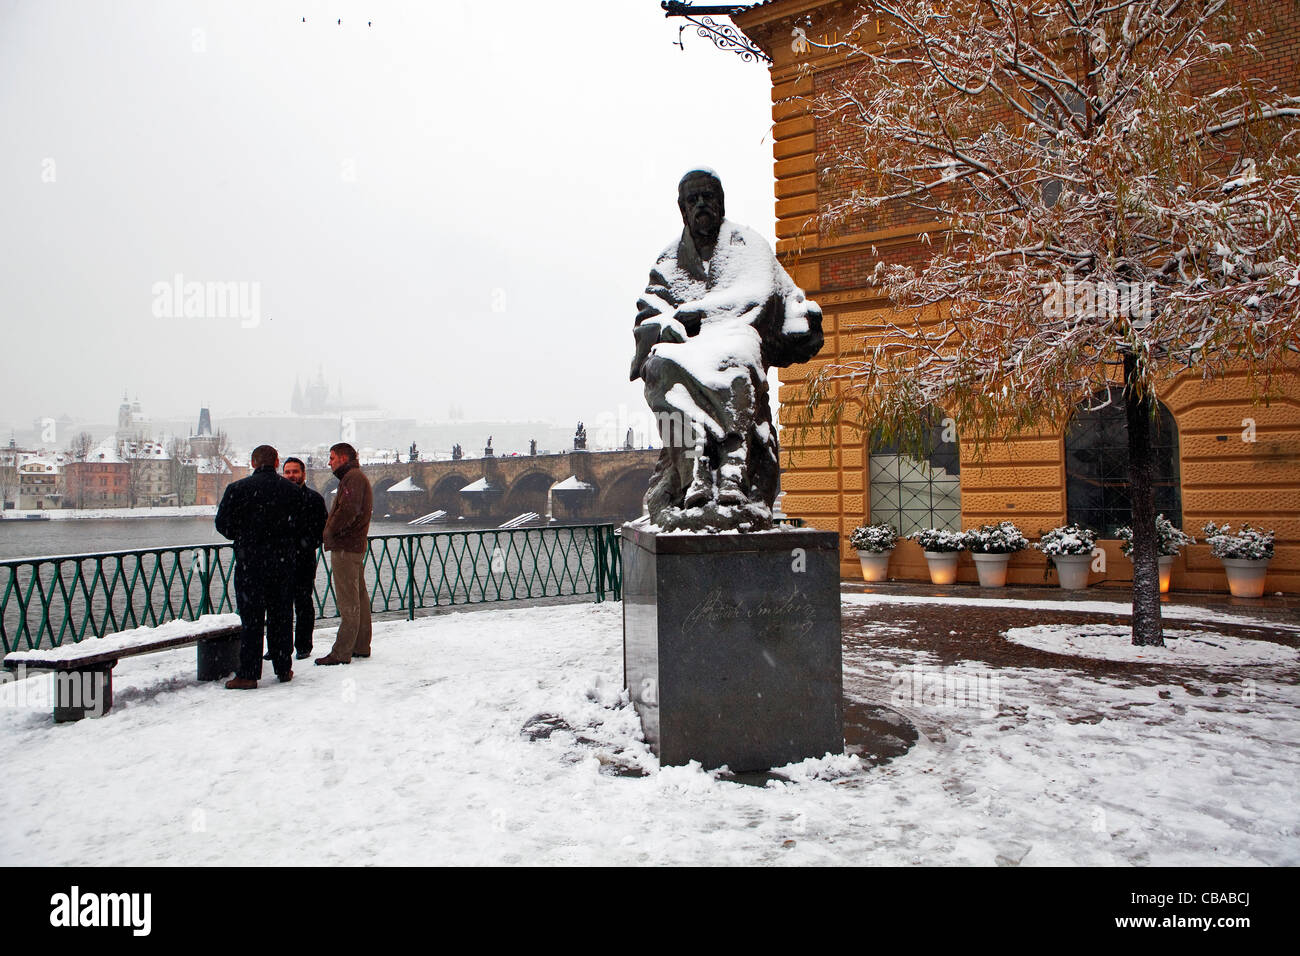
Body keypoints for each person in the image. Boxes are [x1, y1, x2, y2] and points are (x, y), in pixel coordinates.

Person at [629, 168, 824, 531]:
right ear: (682, 208)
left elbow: (758, 297)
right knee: (659, 367)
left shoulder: (747, 245)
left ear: (720, 202)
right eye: (693, 200)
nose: (701, 204)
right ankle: (696, 468)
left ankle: (733, 467)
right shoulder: (669, 260)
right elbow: (649, 311)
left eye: (708, 197)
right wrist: (669, 325)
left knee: (739, 356)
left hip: (735, 341)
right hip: (686, 352)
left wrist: (697, 313)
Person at [215, 444, 303, 688]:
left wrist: (243, 536)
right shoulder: (292, 491)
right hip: (283, 563)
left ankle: (249, 673)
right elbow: (301, 526)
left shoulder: (237, 489)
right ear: (277, 463)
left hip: (250, 563)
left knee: (252, 619)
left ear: (253, 463)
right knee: (282, 615)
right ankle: (283, 667)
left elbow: (223, 525)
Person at [316, 442, 373, 665]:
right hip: (354, 545)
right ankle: (360, 644)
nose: (329, 462)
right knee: (358, 597)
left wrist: (329, 531)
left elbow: (348, 510)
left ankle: (342, 651)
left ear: (342, 458)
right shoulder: (354, 477)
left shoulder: (352, 478)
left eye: (331, 458)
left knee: (348, 600)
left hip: (346, 547)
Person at [276, 457, 328, 661]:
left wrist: (304, 544)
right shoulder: (277, 497)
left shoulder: (314, 499)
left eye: (295, 472)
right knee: (279, 605)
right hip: (279, 560)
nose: (291, 476)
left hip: (303, 559)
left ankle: (303, 645)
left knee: (303, 604)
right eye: (287, 472)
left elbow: (320, 529)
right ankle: (280, 647)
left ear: (303, 474)